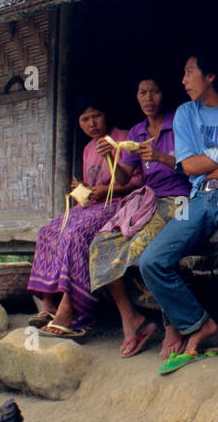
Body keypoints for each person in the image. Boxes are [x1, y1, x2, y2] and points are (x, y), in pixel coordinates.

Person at [138, 53, 218, 366]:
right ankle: (197, 322)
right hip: (195, 199)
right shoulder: (184, 113)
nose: (182, 81)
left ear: (210, 76)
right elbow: (189, 166)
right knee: (152, 260)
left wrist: (205, 164)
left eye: (188, 72)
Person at [88, 77, 191, 357]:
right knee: (101, 245)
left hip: (180, 200)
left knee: (143, 249)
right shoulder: (136, 131)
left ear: (164, 94)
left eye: (154, 91)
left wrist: (160, 156)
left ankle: (174, 323)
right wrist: (111, 155)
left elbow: (196, 167)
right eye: (142, 92)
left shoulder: (181, 122)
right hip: (148, 200)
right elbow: (121, 176)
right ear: (136, 97)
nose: (149, 98)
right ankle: (130, 319)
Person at [27, 99, 144, 338]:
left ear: (106, 116)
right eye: (85, 119)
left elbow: (138, 180)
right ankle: (49, 303)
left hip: (120, 203)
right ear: (79, 125)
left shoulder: (122, 137)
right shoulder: (88, 148)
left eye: (96, 116)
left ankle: (73, 307)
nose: (92, 123)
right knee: (49, 230)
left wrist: (108, 190)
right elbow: (95, 186)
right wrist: (84, 188)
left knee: (76, 232)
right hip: (95, 204)